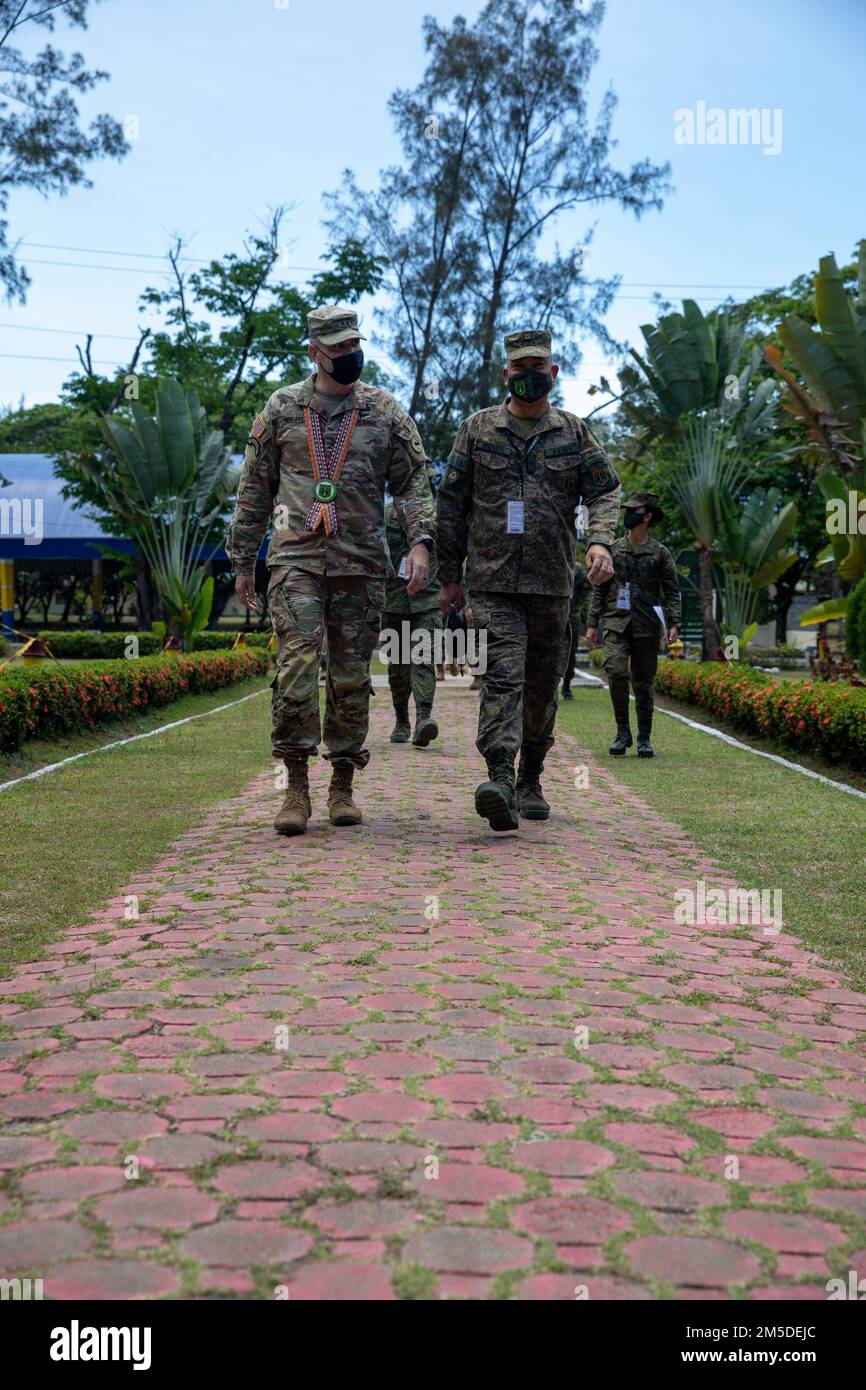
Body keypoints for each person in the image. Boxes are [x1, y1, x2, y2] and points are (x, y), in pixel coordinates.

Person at [225, 304, 435, 835]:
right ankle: (295, 787)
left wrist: (420, 543)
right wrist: (243, 559)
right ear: (313, 352)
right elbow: (254, 489)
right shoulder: (280, 408)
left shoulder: (385, 412)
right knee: (295, 668)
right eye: (337, 347)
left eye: (353, 344)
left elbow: (412, 485)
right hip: (295, 558)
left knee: (350, 676)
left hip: (362, 564)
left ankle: (342, 783)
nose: (349, 354)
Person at [437, 328, 620, 831]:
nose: (529, 376)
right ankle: (499, 775)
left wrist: (600, 541)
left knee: (541, 688)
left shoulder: (576, 433)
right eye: (520, 368)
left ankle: (531, 777)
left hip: (553, 585)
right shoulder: (476, 431)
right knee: (504, 676)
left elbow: (605, 493)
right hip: (492, 584)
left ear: (554, 373)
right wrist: (449, 576)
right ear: (505, 374)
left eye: (538, 367)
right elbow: (450, 506)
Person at [585, 491, 681, 758]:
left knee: (643, 683)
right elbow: (600, 589)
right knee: (615, 671)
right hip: (616, 623)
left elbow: (672, 591)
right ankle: (622, 732)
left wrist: (674, 622)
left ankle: (644, 738)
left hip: (647, 625)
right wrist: (592, 623)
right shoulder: (613, 549)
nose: (627, 514)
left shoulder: (660, 553)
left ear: (647, 516)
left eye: (633, 510)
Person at [382, 487, 441, 747]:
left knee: (424, 659)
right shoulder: (383, 518)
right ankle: (401, 720)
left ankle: (423, 720)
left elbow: (452, 557)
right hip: (393, 601)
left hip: (428, 601)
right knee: (397, 666)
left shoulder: (439, 520)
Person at [562, 559, 592, 699]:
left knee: (570, 654)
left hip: (571, 617)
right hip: (548, 614)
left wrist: (589, 620)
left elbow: (587, 595)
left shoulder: (578, 570)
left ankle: (567, 685)